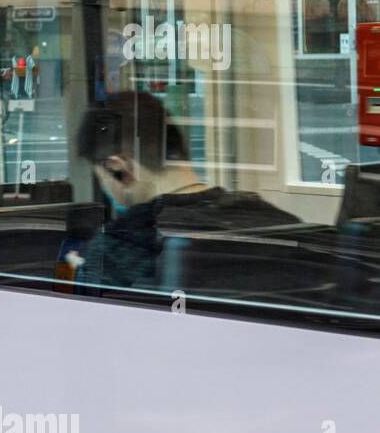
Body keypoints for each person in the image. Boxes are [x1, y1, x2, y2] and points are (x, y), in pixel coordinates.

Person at [72, 91, 299, 289]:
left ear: (118, 168)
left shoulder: (116, 249)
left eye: (103, 178)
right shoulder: (280, 225)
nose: (106, 189)